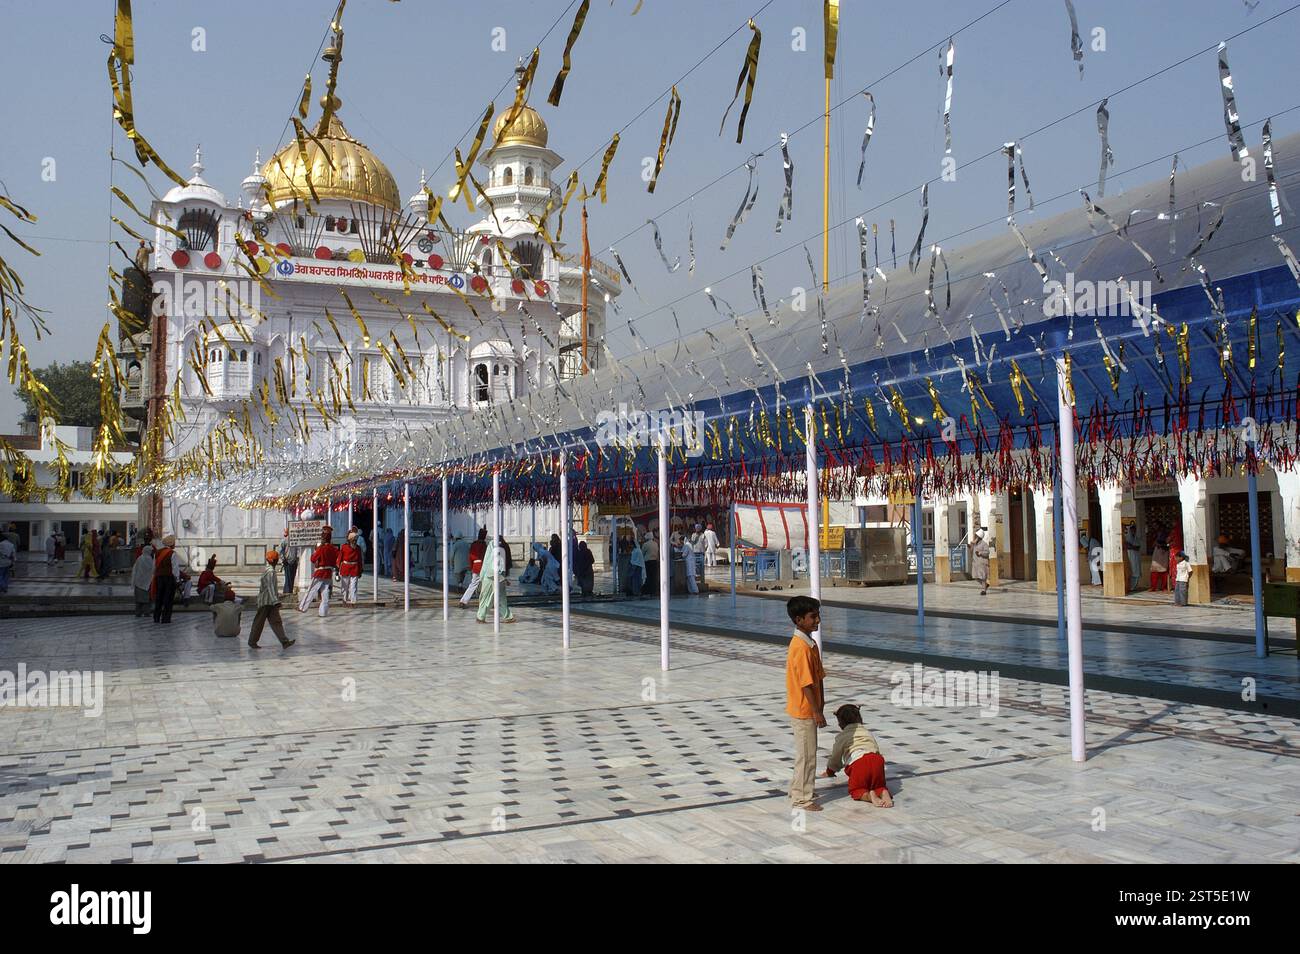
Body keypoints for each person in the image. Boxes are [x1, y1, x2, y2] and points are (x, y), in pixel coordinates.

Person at [785, 595, 826, 812]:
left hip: (808, 708)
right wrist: (816, 711)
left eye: (818, 615)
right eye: (813, 617)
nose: (817, 620)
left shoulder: (809, 644)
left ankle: (797, 788)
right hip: (803, 710)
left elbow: (818, 677)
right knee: (807, 754)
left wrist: (823, 700)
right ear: (799, 620)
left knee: (807, 752)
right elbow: (806, 684)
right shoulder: (800, 647)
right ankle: (801, 798)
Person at [823, 703, 892, 807]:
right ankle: (883, 792)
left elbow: (835, 757)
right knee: (878, 785)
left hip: (859, 763)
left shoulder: (842, 736)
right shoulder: (866, 732)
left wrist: (830, 771)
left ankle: (869, 796)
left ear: (840, 724)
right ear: (860, 719)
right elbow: (875, 747)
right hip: (877, 760)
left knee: (857, 789)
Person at [249, 550, 294, 649]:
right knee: (259, 622)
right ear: (275, 560)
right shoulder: (270, 572)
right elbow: (270, 587)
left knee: (276, 622)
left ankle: (284, 642)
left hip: (269, 601)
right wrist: (275, 601)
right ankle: (252, 641)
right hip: (266, 601)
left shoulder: (268, 570)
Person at [298, 527, 339, 617]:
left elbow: (313, 559)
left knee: (311, 590)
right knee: (325, 593)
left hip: (320, 572)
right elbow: (335, 560)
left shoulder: (321, 548)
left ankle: (302, 607)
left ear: (323, 538)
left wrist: (317, 550)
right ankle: (323, 612)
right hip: (328, 572)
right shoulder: (334, 548)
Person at [476, 536, 515, 624]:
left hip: (491, 578)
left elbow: (488, 565)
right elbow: (493, 568)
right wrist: (503, 578)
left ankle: (507, 616)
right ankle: (481, 616)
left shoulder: (493, 550)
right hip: (492, 578)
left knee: (495, 598)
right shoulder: (499, 551)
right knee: (492, 598)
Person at [151, 534, 181, 624]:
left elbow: (154, 565)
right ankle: (166, 618)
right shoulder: (172, 553)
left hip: (159, 577)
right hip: (168, 578)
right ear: (172, 544)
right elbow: (175, 568)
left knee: (159, 597)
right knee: (168, 598)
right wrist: (177, 579)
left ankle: (156, 617)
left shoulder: (158, 553)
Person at [460, 529, 488, 606]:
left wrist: (471, 566)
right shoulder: (484, 545)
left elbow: (470, 556)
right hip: (483, 566)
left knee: (473, 584)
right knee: (485, 584)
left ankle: (464, 600)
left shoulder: (474, 544)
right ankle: (484, 601)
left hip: (475, 566)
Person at [338, 531, 362, 605]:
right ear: (350, 540)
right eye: (353, 540)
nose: (355, 541)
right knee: (345, 585)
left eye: (356, 540)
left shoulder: (358, 548)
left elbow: (360, 560)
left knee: (353, 586)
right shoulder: (344, 547)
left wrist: (360, 570)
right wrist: (337, 567)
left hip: (355, 568)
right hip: (346, 567)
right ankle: (344, 599)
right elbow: (340, 558)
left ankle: (353, 601)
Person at [130, 546, 154, 617]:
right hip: (147, 582)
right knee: (146, 600)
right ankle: (147, 612)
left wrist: (133, 581)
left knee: (138, 600)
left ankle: (138, 613)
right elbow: (152, 570)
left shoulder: (139, 558)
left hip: (138, 582)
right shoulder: (150, 559)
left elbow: (135, 569)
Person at [277, 527, 299, 595]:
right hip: (289, 561)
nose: (284, 533)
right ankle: (287, 591)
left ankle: (288, 591)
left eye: (286, 532)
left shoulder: (292, 540)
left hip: (292, 561)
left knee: (291, 577)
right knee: (289, 578)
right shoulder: (284, 540)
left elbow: (280, 551)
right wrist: (283, 559)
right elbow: (280, 551)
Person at [971, 528, 990, 595]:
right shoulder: (975, 544)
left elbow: (987, 552)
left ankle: (983, 590)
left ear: (979, 537)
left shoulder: (984, 544)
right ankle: (985, 585)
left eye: (976, 536)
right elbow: (971, 552)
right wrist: (971, 545)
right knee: (975, 577)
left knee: (983, 577)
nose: (975, 537)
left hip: (982, 563)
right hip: (976, 563)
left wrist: (980, 553)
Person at [1124, 523, 1142, 591]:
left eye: (1134, 530)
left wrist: (1130, 546)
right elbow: (1126, 546)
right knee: (1130, 571)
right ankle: (1129, 586)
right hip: (1129, 557)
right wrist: (1131, 546)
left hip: (1136, 557)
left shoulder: (1136, 538)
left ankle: (1133, 587)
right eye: (1132, 530)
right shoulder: (1127, 538)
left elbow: (1137, 548)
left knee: (1136, 571)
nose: (1133, 531)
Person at [642, 531, 659, 595]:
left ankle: (648, 591)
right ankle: (654, 590)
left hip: (647, 562)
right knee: (654, 577)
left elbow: (642, 553)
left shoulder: (645, 544)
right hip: (654, 562)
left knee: (648, 576)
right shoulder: (656, 544)